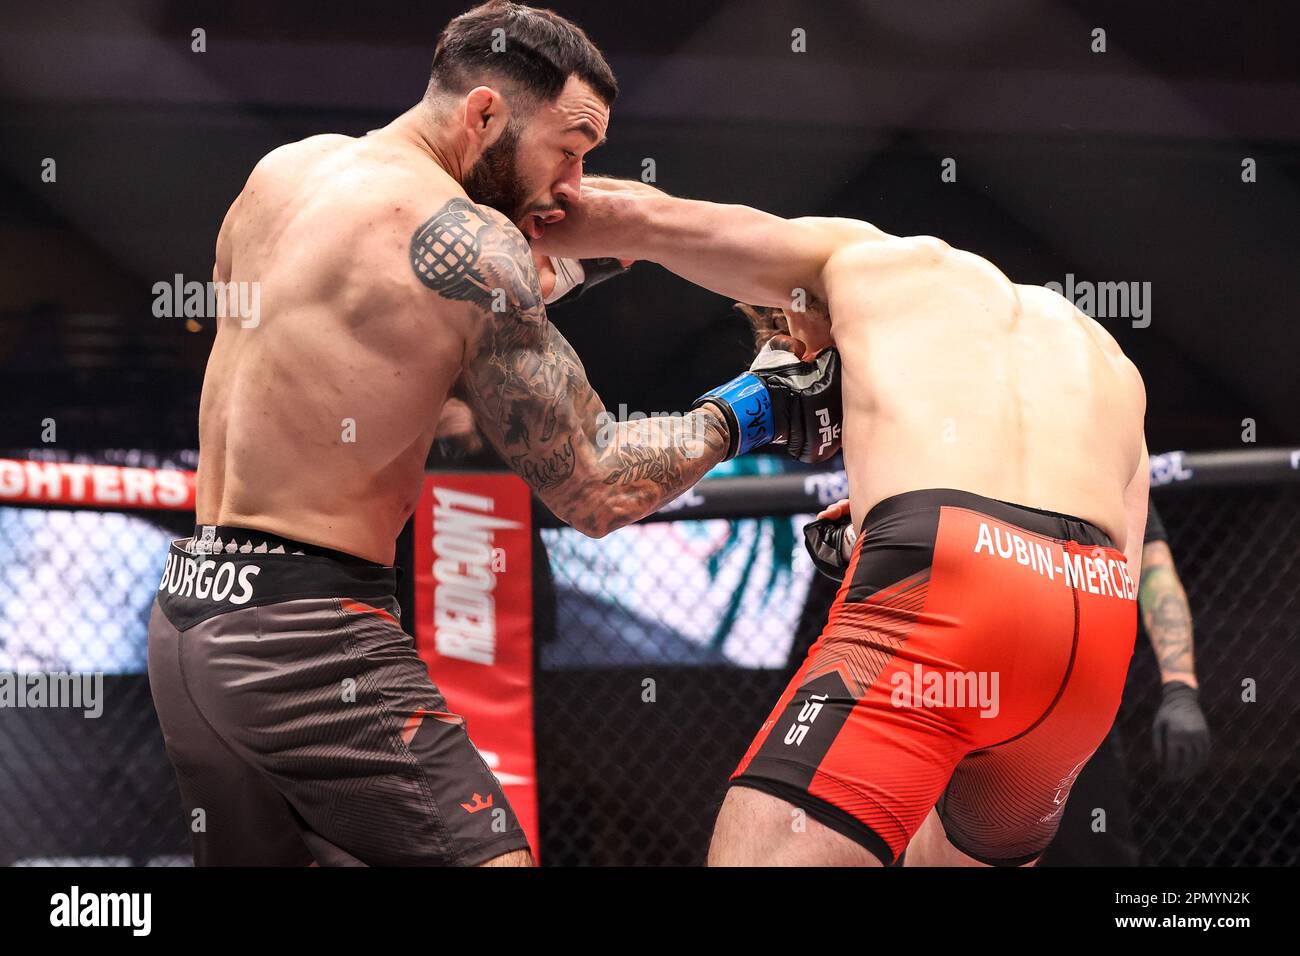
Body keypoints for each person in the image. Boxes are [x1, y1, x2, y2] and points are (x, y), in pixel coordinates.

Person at [146, 1, 842, 867]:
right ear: (484, 113)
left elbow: (384, 310)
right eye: (570, 149)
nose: (576, 185)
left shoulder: (287, 174)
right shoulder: (473, 247)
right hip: (310, 638)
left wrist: (563, 267)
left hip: (190, 619)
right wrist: (756, 404)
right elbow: (596, 486)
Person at [536, 176, 1149, 866]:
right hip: (1088, 639)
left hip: (943, 584)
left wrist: (502, 214)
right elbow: (1117, 552)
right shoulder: (1094, 345)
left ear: (793, 319)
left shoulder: (857, 259)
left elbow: (645, 216)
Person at [1038, 496, 1210, 865]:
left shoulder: (1102, 451)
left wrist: (1179, 685)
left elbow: (1153, 568)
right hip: (972, 693)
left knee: (1091, 852)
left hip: (1075, 704)